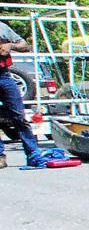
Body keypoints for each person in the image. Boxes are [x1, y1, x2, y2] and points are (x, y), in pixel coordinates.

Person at [0, 21, 72, 169]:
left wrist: (10, 46)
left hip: (4, 75)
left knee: (19, 116)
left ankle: (33, 154)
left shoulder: (2, 27)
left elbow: (25, 46)